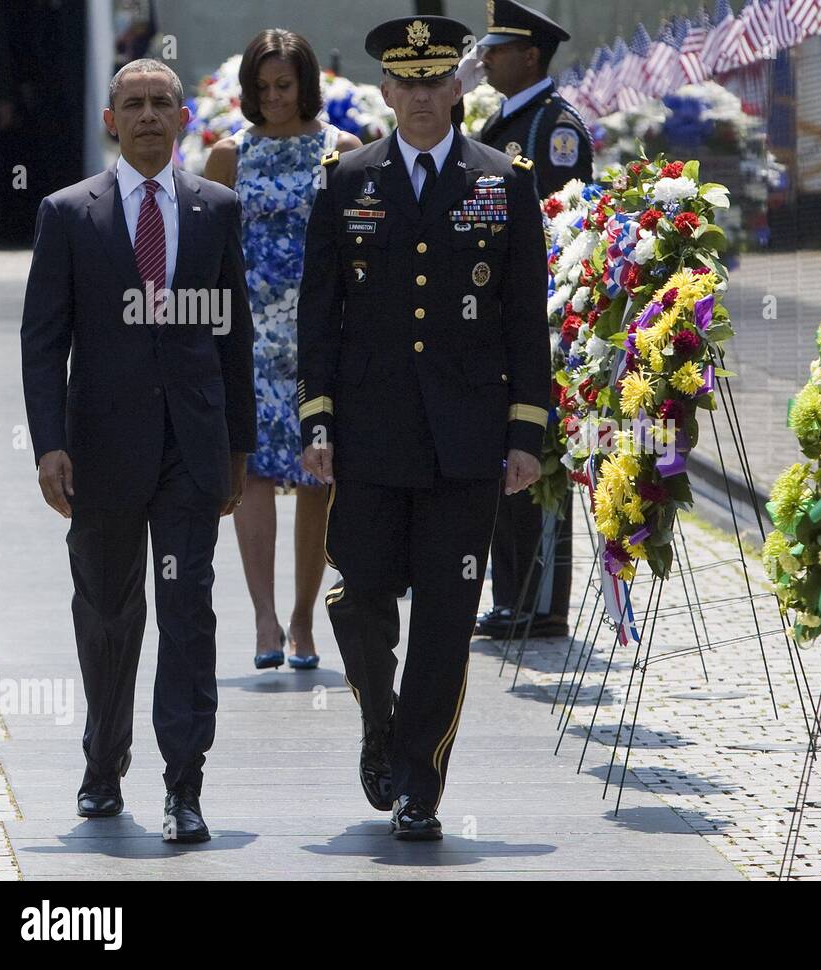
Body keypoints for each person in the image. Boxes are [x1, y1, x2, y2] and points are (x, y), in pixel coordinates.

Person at [297, 15, 549, 840]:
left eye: (434, 81)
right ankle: (381, 720)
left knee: (446, 614)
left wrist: (526, 433)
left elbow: (525, 319)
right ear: (386, 91)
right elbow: (319, 314)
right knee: (360, 596)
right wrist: (317, 418)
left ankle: (419, 784)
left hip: (465, 438)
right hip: (370, 433)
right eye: (406, 83)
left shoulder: (502, 181)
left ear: (456, 88)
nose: (420, 97)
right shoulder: (346, 180)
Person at [19, 58, 255, 843]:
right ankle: (103, 760)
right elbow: (43, 340)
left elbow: (233, 337)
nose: (148, 115)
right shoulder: (67, 213)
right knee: (107, 614)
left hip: (191, 449)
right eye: (134, 104)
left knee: (187, 614)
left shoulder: (216, 208)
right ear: (111, 120)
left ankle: (185, 784)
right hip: (101, 451)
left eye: (161, 103)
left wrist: (239, 447)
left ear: (184, 118)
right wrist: (48, 445)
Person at [203, 29, 361, 671]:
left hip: (321, 337)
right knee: (254, 473)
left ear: (306, 85)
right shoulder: (227, 156)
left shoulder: (342, 151)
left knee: (317, 474)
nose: (272, 96)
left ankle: (303, 618)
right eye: (261, 86)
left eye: (283, 85)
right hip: (249, 340)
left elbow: (361, 250)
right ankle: (264, 618)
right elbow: (207, 257)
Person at [473, 0, 593, 641]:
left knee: (538, 455)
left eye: (497, 49)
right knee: (506, 455)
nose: (485, 58)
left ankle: (540, 603)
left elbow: (560, 225)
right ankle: (512, 595)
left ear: (530, 56)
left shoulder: (553, 126)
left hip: (540, 316)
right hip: (500, 312)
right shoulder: (506, 120)